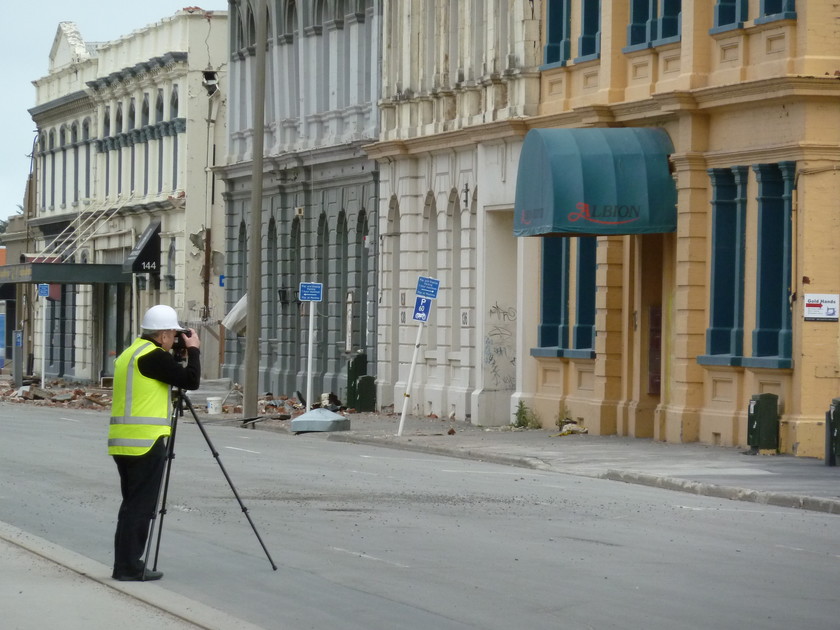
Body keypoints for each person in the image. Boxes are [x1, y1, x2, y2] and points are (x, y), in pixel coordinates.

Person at [108, 304, 201, 581]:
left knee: (131, 505)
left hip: (124, 444)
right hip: (146, 443)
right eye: (173, 335)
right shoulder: (153, 357)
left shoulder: (131, 353)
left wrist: (178, 354)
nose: (175, 340)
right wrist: (193, 349)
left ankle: (124, 564)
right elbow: (191, 380)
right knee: (141, 507)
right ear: (162, 336)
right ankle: (128, 568)